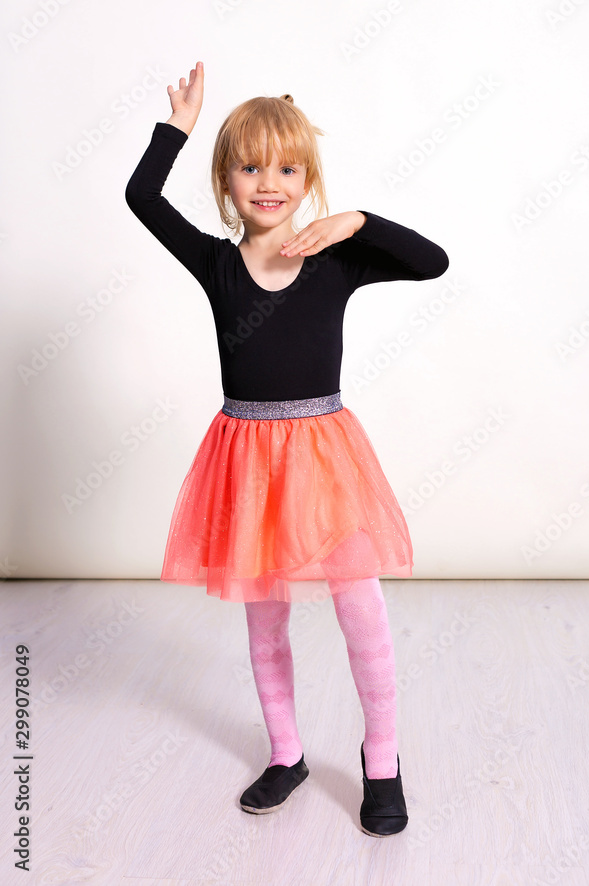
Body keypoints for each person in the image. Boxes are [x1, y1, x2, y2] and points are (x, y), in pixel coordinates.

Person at [124, 61, 448, 837]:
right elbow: (142, 198)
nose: (268, 183)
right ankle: (287, 753)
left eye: (287, 169)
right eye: (250, 167)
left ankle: (381, 759)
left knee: (360, 607)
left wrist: (359, 220)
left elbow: (432, 262)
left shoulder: (335, 260)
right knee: (263, 618)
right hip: (244, 463)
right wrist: (176, 128)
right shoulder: (216, 263)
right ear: (225, 180)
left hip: (323, 460)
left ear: (308, 180)